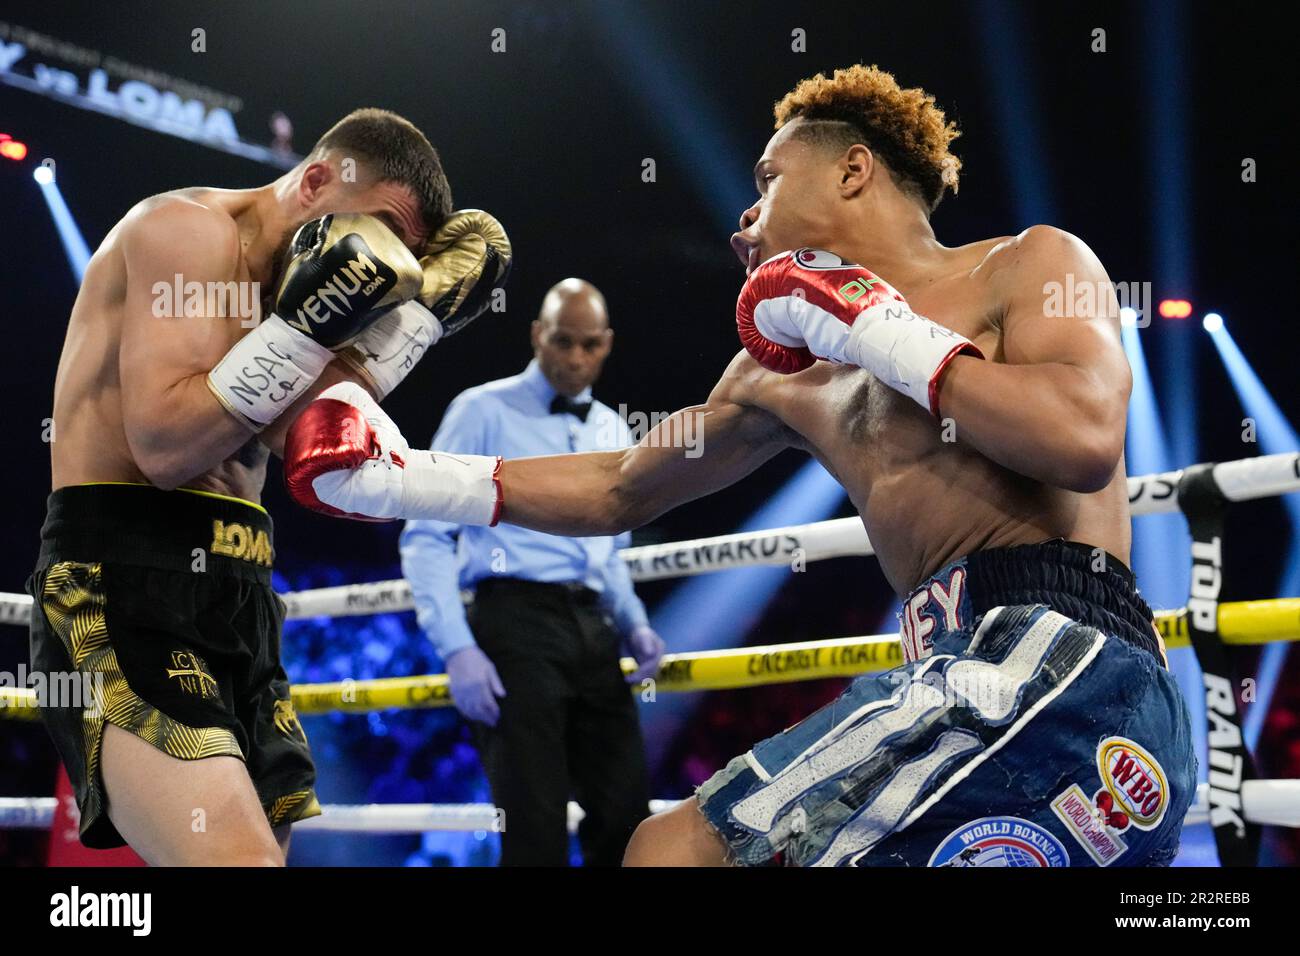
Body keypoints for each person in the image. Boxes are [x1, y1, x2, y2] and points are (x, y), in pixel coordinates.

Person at [284, 65, 1196, 867]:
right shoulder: (779, 375)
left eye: (768, 178)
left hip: (1067, 671)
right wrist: (401, 478)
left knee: (674, 851)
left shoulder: (1024, 265)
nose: (745, 211)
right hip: (959, 689)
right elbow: (619, 487)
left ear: (851, 169)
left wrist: (878, 328)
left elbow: (1080, 441)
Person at [27, 107, 509, 865]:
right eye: (377, 231)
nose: (379, 262)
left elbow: (303, 444)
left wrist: (401, 333)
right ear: (316, 179)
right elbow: (165, 446)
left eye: (399, 257)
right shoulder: (181, 232)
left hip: (243, 596)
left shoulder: (309, 289)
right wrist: (310, 326)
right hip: (121, 584)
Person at [399, 278, 664, 866]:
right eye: (562, 341)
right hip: (513, 624)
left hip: (593, 629)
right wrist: (456, 649)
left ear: (608, 344)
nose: (575, 358)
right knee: (534, 823)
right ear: (536, 335)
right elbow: (425, 534)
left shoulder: (613, 430)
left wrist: (635, 623)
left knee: (625, 816)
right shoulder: (480, 411)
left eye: (589, 345)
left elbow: (607, 553)